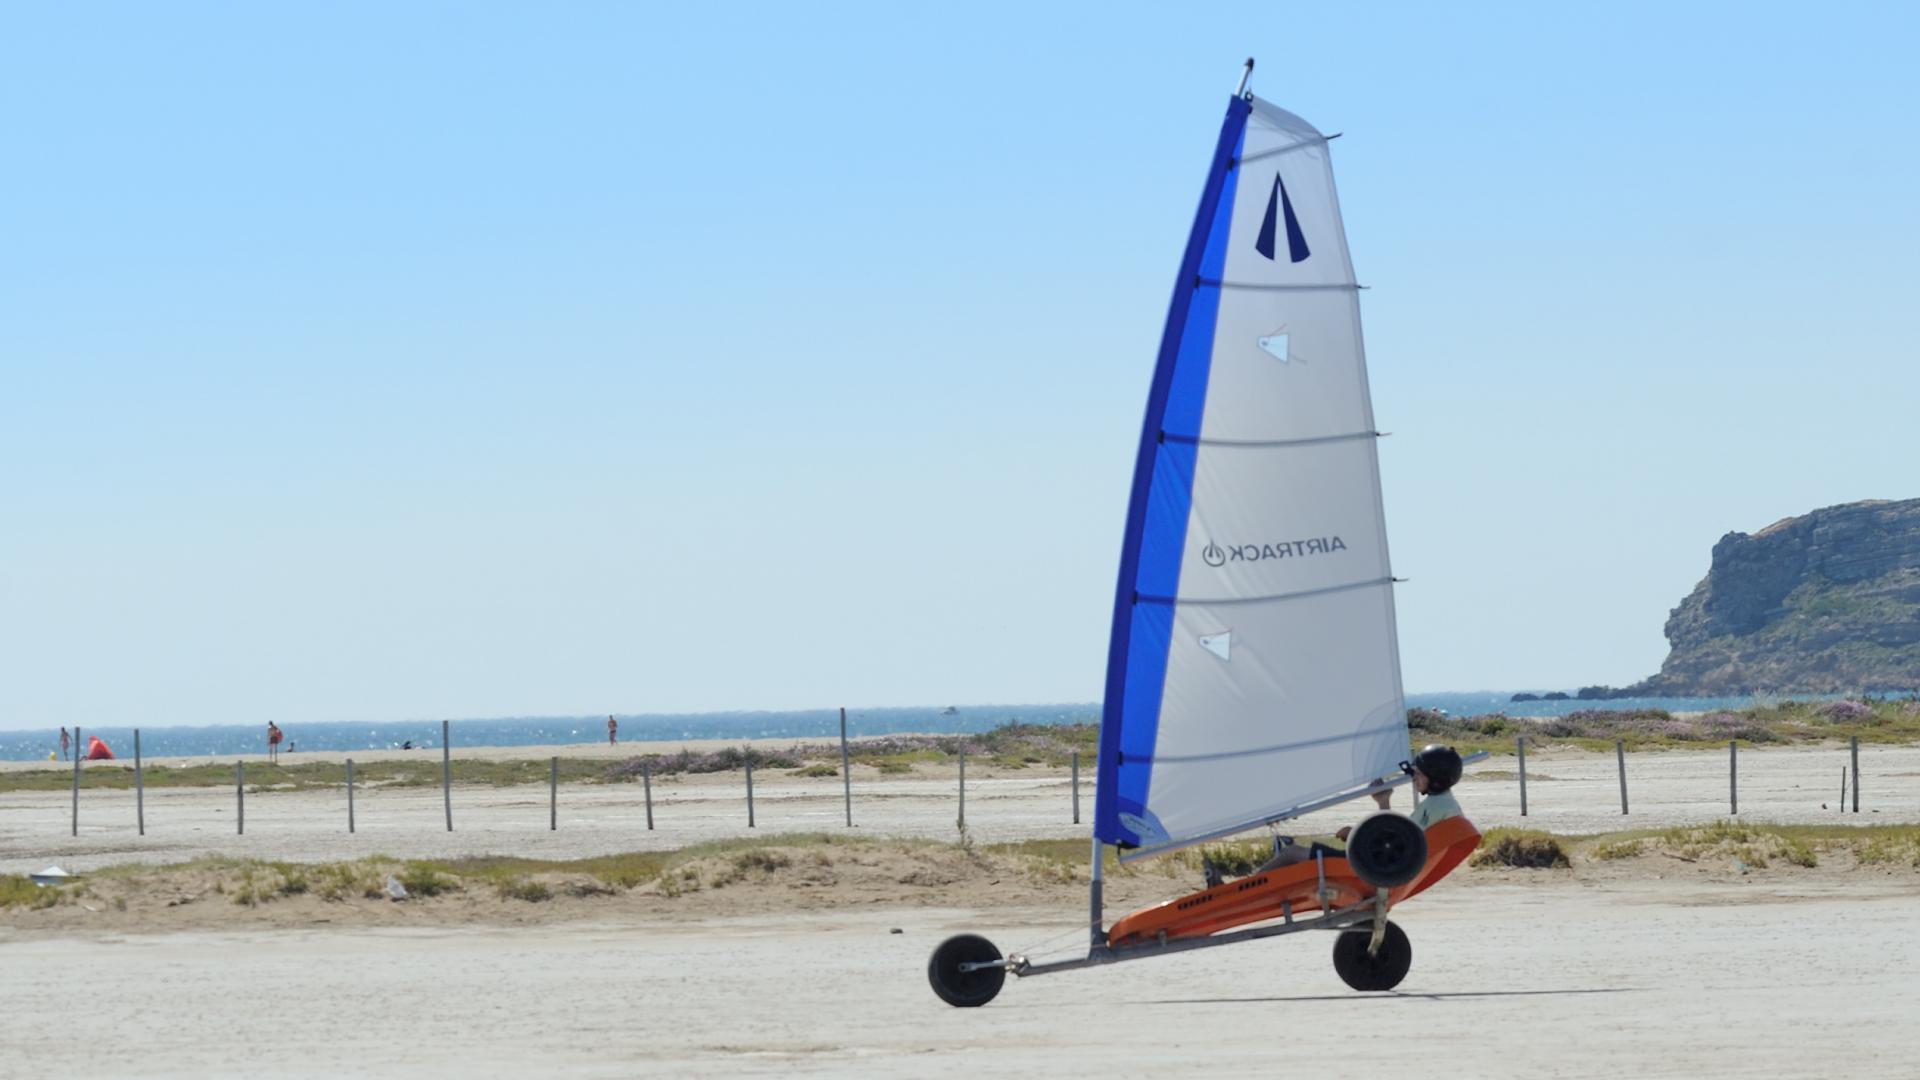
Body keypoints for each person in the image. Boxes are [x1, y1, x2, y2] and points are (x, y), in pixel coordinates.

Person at [1204, 744, 1466, 887]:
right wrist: (1383, 802)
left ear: (1436, 778)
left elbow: (1396, 847)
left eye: (1418, 774)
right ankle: (1241, 887)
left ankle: (1234, 891)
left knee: (1291, 854)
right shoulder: (1442, 805)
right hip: (1379, 867)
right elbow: (1395, 841)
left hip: (1370, 870)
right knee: (1292, 854)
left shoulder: (1437, 807)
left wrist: (1354, 835)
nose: (1414, 778)